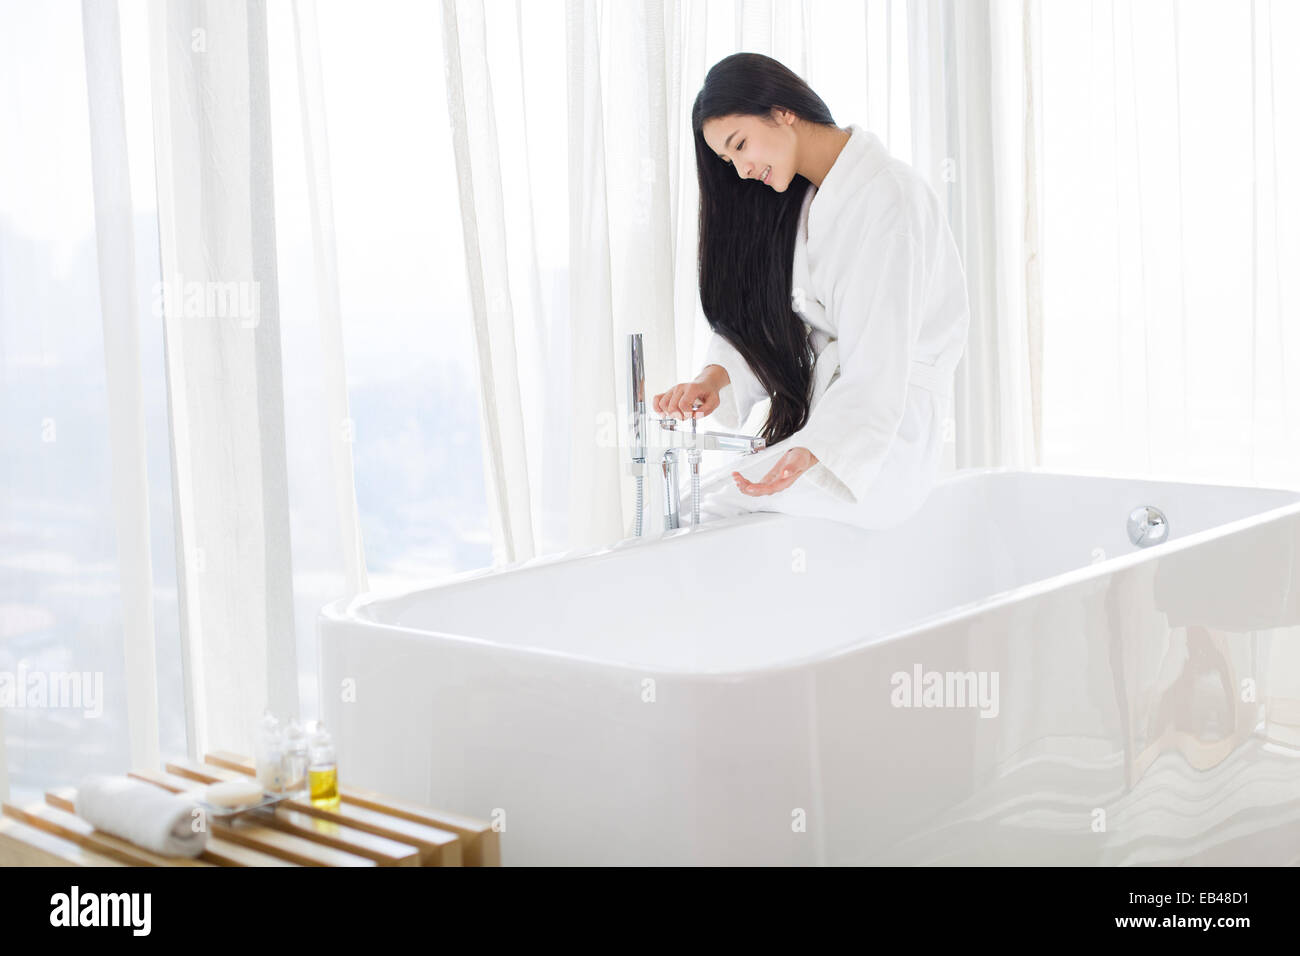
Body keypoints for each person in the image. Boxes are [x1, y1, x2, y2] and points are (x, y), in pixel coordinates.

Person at [653, 52, 970, 530]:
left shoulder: (889, 197)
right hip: (835, 429)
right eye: (728, 160)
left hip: (883, 441)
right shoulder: (805, 202)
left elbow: (878, 360)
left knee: (703, 513)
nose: (741, 170)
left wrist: (820, 449)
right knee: (690, 507)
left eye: (740, 145)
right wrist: (714, 380)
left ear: (783, 110)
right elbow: (778, 320)